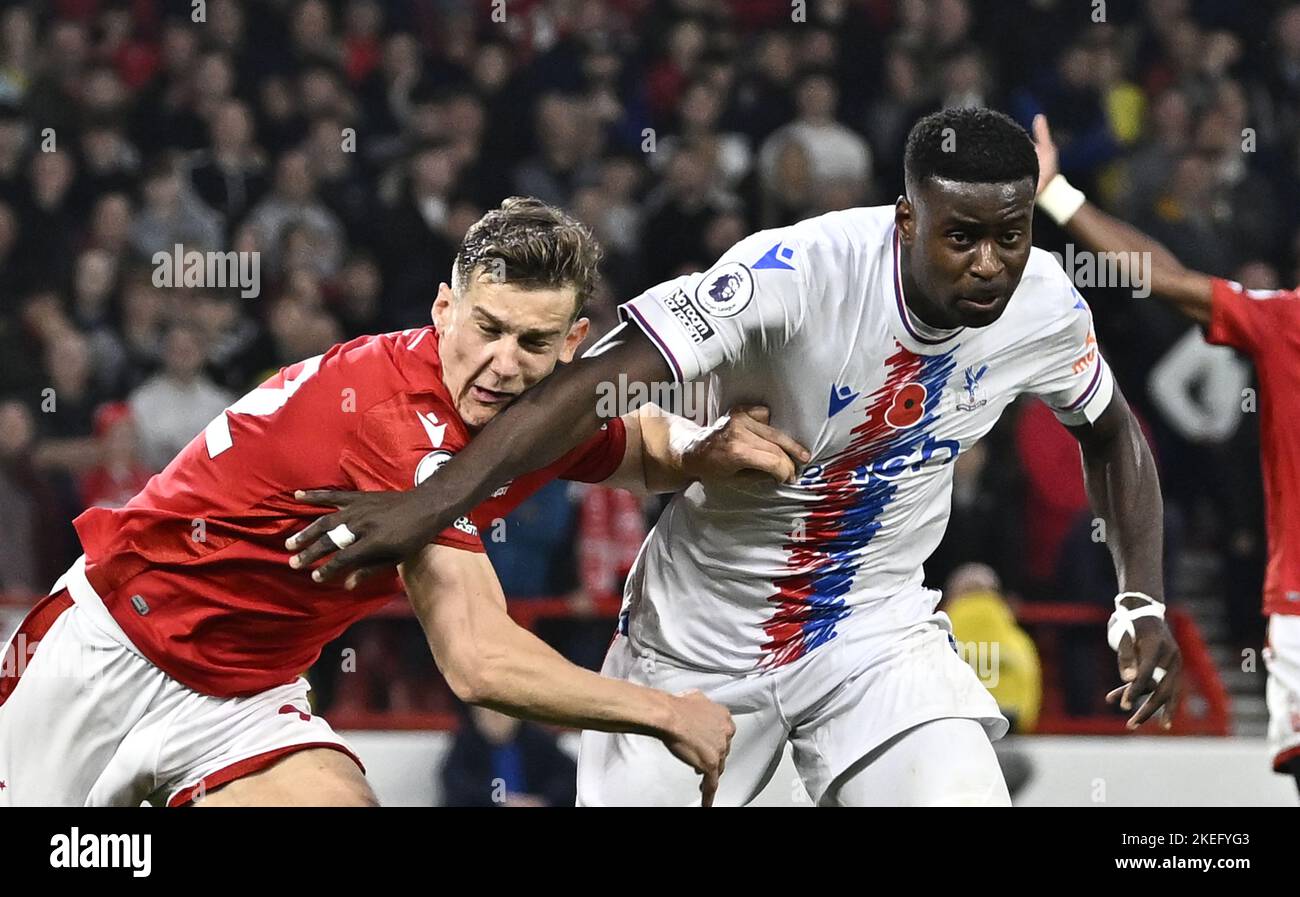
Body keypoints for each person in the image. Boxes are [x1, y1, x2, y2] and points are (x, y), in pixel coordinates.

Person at [286, 108, 1182, 806]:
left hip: (871, 633)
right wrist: (426, 504)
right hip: (696, 642)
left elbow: (1111, 432)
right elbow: (592, 383)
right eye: (961, 238)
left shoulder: (1047, 307)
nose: (991, 264)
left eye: (1012, 237)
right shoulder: (795, 276)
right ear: (907, 218)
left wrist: (1138, 596)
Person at [0, 198, 808, 807]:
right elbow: (480, 659)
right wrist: (666, 712)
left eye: (532, 343)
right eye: (485, 327)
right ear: (443, 309)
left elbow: (629, 443)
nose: (502, 362)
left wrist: (701, 449)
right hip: (109, 655)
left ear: (571, 347)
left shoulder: (524, 409)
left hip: (246, 693)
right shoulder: (397, 432)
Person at [1031, 113, 1300, 793]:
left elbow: (1168, 278)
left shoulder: (1283, 317)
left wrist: (1062, 195)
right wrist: (1059, 195)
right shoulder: (1283, 319)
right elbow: (1166, 278)